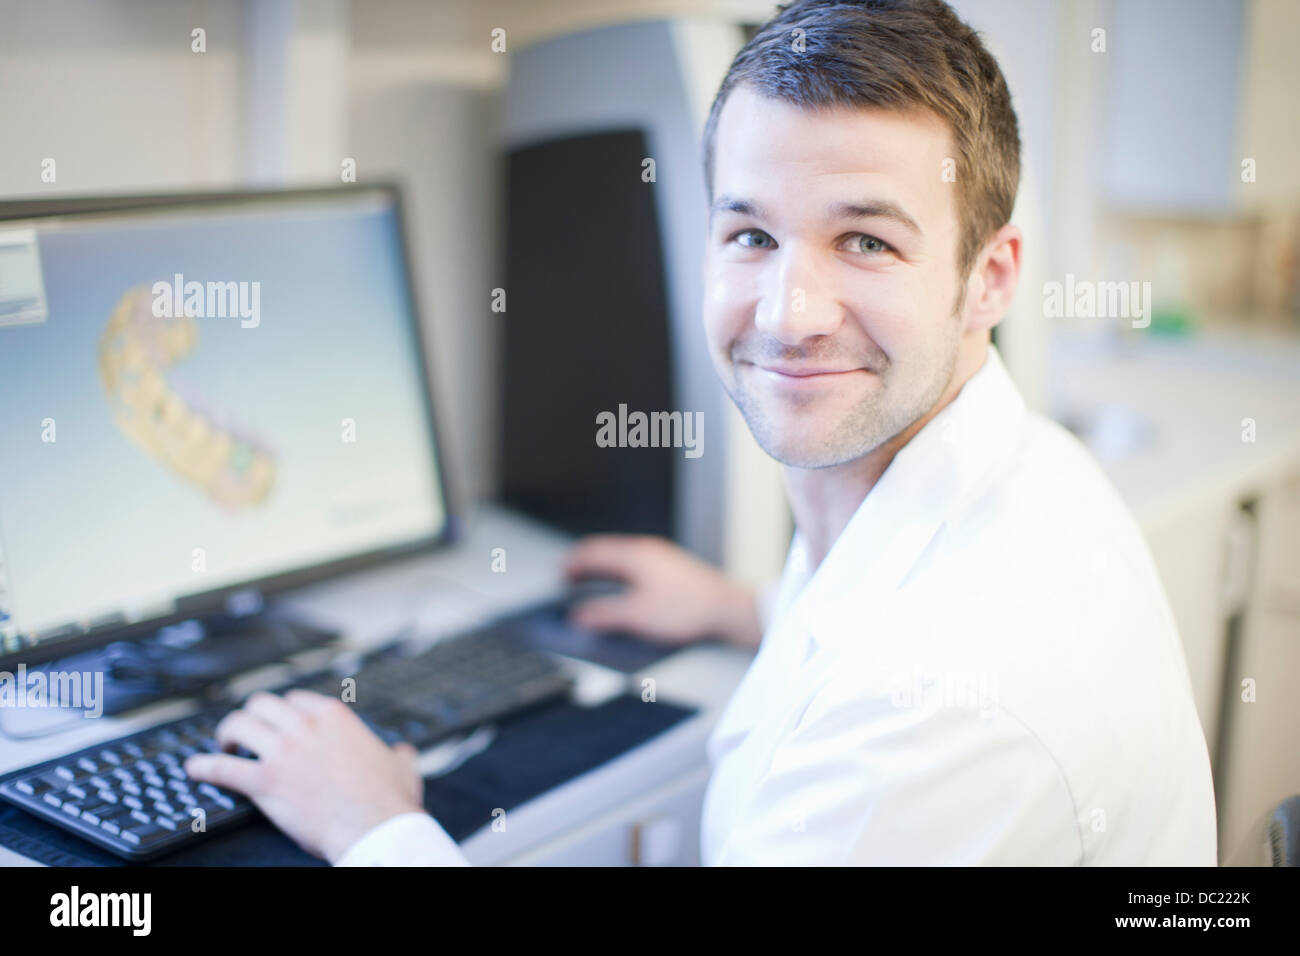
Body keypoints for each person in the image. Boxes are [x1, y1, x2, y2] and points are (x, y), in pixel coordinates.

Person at [185, 0, 1218, 865]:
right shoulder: (1011, 466)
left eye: (865, 239)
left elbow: (911, 684)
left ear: (987, 276)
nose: (785, 311)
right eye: (752, 234)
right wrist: (745, 608)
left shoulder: (937, 718)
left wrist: (378, 828)